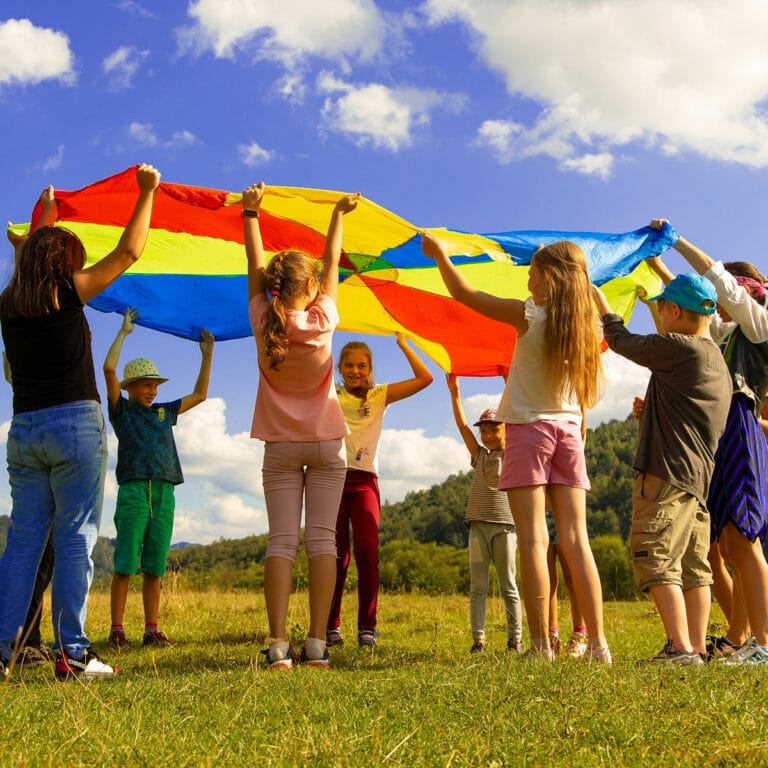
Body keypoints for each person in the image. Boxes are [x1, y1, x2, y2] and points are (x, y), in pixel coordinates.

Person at [0, 163, 161, 681]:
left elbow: (25, 259)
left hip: (23, 430)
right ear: (63, 265)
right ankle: (73, 654)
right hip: (73, 427)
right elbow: (129, 251)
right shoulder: (66, 293)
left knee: (23, 541)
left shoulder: (9, 303)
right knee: (74, 538)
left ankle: (2, 650)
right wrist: (147, 193)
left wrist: (45, 213)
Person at [423, 233, 611, 662]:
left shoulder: (529, 316)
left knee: (532, 539)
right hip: (568, 431)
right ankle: (599, 645)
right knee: (578, 540)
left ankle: (542, 645)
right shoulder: (589, 327)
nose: (528, 281)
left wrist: (440, 256)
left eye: (533, 273)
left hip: (528, 429)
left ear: (550, 279)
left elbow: (463, 292)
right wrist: (591, 293)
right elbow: (602, 313)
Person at [242, 181, 359, 669]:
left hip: (280, 448)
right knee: (323, 542)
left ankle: (276, 645)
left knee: (282, 542)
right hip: (327, 444)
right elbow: (333, 264)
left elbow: (253, 267)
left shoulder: (261, 318)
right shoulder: (324, 319)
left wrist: (251, 213)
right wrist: (338, 214)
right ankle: (315, 644)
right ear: (310, 288)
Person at [593, 268, 731, 665]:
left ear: (673, 309)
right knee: (693, 567)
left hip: (667, 473)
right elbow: (689, 416)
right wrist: (650, 411)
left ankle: (680, 647)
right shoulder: (715, 361)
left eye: (661, 308)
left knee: (656, 554)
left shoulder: (681, 347)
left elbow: (621, 341)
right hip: (696, 480)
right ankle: (698, 647)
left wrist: (604, 308)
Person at [655, 223, 768, 665]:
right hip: (723, 430)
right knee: (729, 540)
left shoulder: (758, 322)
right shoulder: (731, 332)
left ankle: (761, 641)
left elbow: (716, 281)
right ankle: (750, 640)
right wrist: (659, 268)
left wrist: (678, 242)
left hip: (740, 425)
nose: (718, 304)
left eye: (725, 296)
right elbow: (697, 312)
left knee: (742, 539)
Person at [104, 307, 214, 650]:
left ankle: (151, 629)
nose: (152, 390)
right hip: (134, 491)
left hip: (165, 492)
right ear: (131, 387)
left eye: (155, 385)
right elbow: (108, 369)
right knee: (124, 563)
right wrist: (123, 333)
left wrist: (206, 356)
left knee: (155, 566)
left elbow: (200, 396)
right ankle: (117, 630)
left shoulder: (165, 412)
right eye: (146, 385)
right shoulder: (121, 411)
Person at [326, 335, 433, 649]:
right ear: (339, 367)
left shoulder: (380, 395)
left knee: (367, 553)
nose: (355, 370)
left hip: (365, 482)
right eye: (349, 365)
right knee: (336, 557)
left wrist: (404, 343)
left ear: (370, 367)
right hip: (332, 479)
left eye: (361, 365)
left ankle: (366, 628)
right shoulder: (330, 393)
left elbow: (425, 378)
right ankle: (332, 626)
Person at [445, 374, 523, 654]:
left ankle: (515, 639)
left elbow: (518, 413)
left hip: (504, 528)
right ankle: (478, 640)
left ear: (505, 429)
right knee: (478, 587)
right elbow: (463, 426)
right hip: (477, 528)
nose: (489, 435)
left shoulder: (513, 452)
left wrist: (509, 383)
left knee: (508, 585)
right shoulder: (479, 455)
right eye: (485, 431)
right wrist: (455, 393)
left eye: (495, 429)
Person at [546, 509, 588, 658]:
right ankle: (551, 637)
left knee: (572, 577)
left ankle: (579, 636)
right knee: (546, 581)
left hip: (564, 513)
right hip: (541, 515)